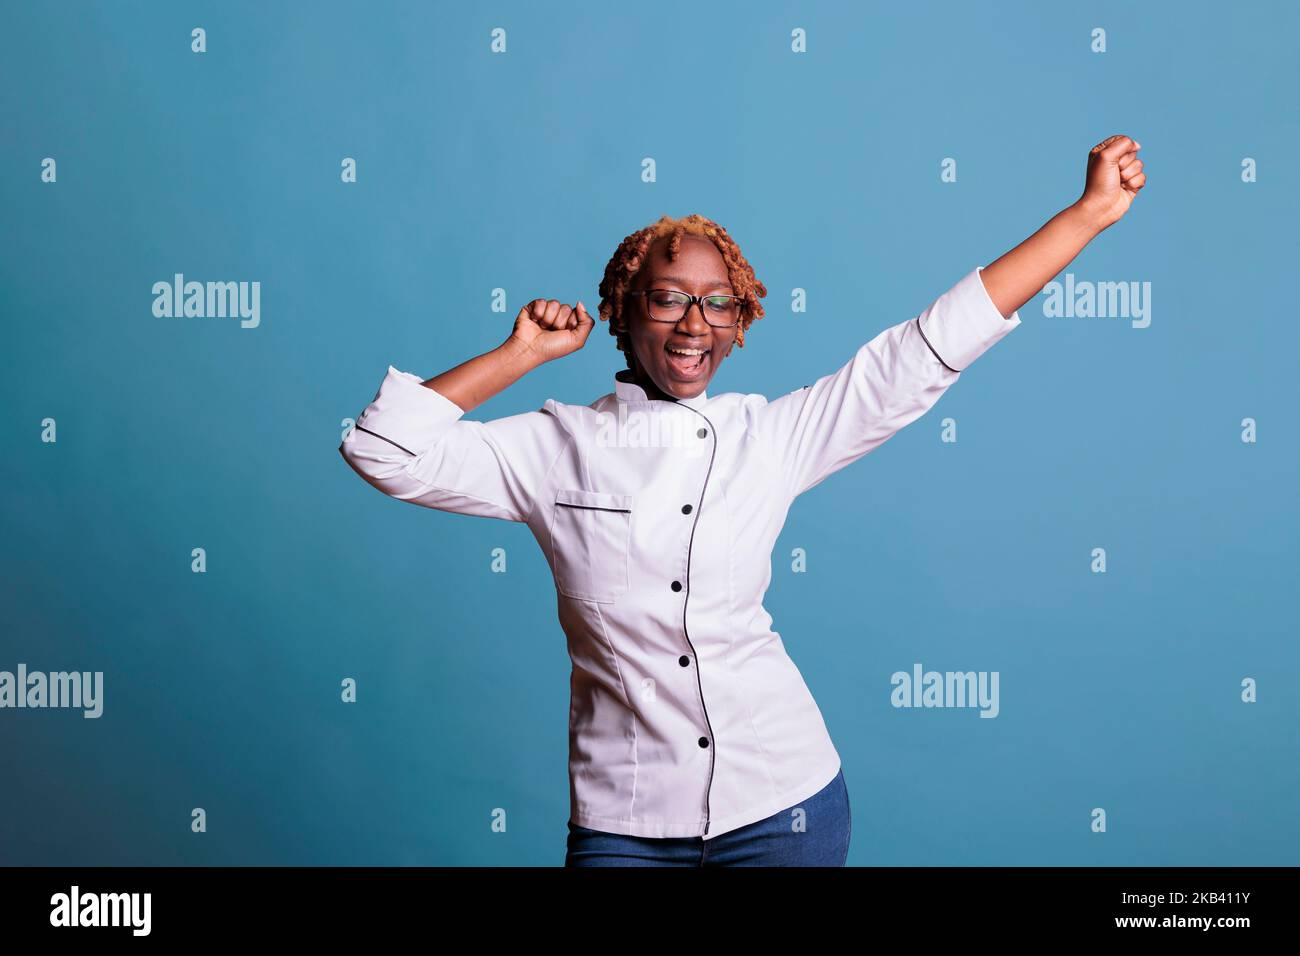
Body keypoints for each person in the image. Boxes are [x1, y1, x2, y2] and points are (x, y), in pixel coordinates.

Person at [339, 135, 1146, 866]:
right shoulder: (552, 447)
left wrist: (1087, 217)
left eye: (717, 303)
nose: (695, 323)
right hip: (623, 820)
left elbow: (925, 349)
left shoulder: (771, 435)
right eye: (667, 299)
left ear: (739, 319)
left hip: (784, 804)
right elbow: (381, 449)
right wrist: (520, 353)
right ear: (623, 312)